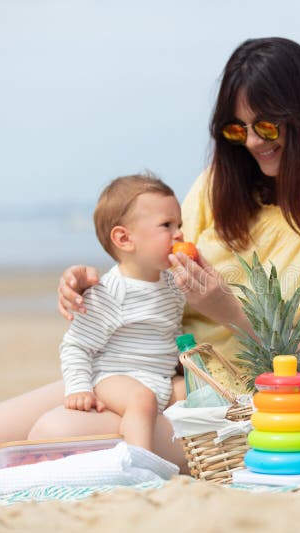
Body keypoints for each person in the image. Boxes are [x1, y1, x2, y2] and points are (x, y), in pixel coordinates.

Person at [0, 37, 300, 469]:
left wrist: (229, 311)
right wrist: (94, 288)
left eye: (267, 126)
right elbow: (154, 264)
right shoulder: (220, 186)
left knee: (51, 432)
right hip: (147, 369)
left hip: (235, 400)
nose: (253, 143)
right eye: (238, 129)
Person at [59, 174, 186, 451]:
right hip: (116, 377)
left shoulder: (171, 285)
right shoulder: (109, 291)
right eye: (167, 225)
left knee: (197, 391)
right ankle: (141, 459)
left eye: (179, 225)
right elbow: (76, 345)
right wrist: (79, 388)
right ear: (125, 238)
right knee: (142, 401)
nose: (179, 234)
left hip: (160, 377)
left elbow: (169, 331)